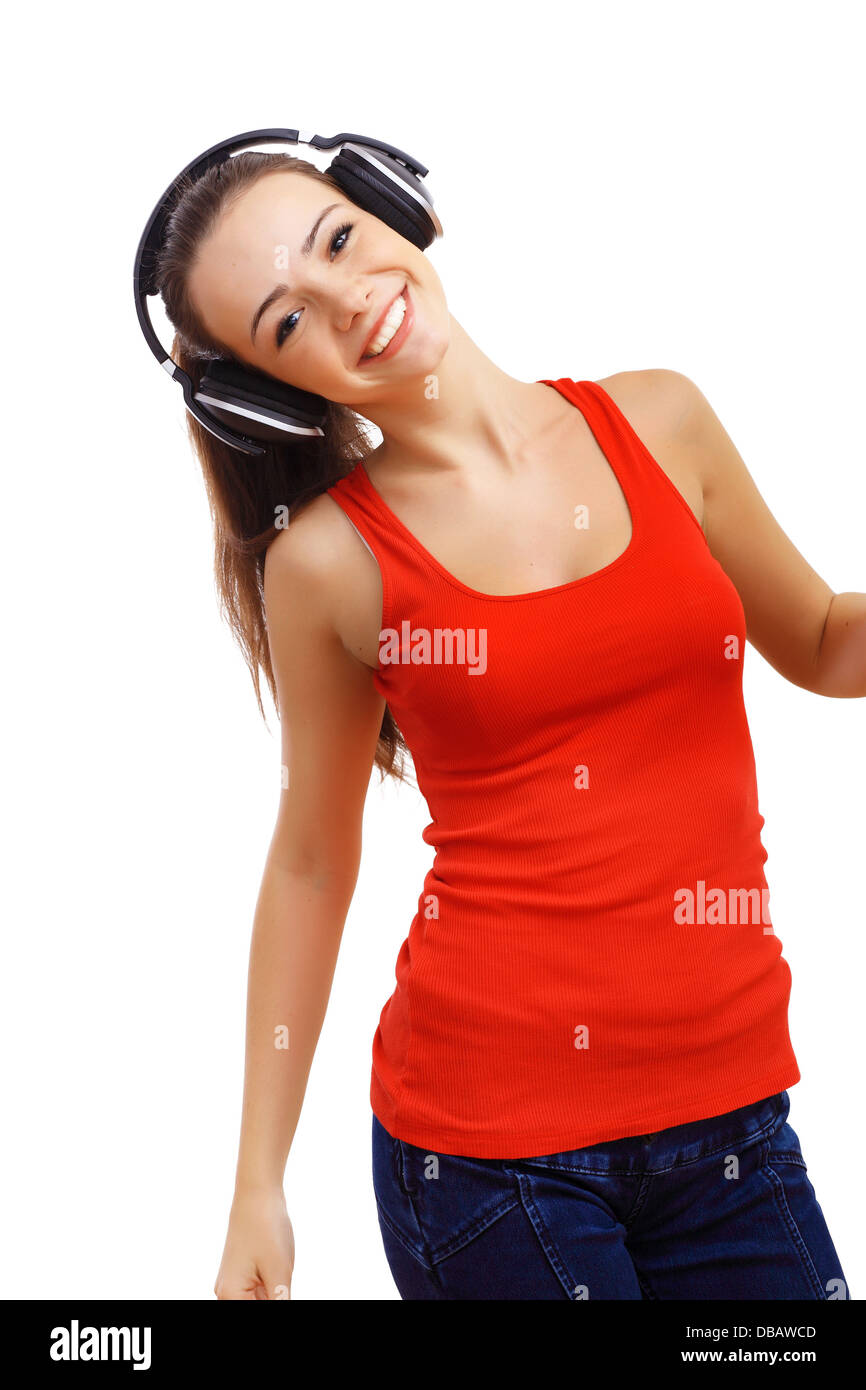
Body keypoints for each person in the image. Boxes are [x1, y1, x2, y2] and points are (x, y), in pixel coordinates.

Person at [152, 148, 857, 1300]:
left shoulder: (660, 421)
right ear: (266, 390)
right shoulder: (327, 563)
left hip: (732, 1125)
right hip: (492, 1164)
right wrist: (256, 1185)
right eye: (288, 323)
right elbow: (313, 863)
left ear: (390, 209)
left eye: (336, 241)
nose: (349, 300)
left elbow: (824, 639)